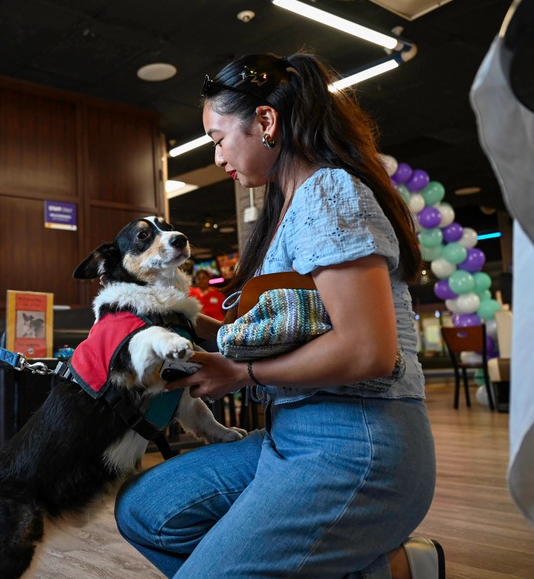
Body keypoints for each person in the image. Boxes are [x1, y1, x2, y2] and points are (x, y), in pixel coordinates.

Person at [114, 52, 443, 578]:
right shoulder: (287, 207)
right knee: (143, 510)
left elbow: (368, 351)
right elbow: (288, 334)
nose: (218, 155)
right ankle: (378, 570)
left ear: (266, 121)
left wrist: (240, 374)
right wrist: (170, 316)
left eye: (219, 138)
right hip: (290, 436)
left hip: (359, 444)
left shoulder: (328, 193)